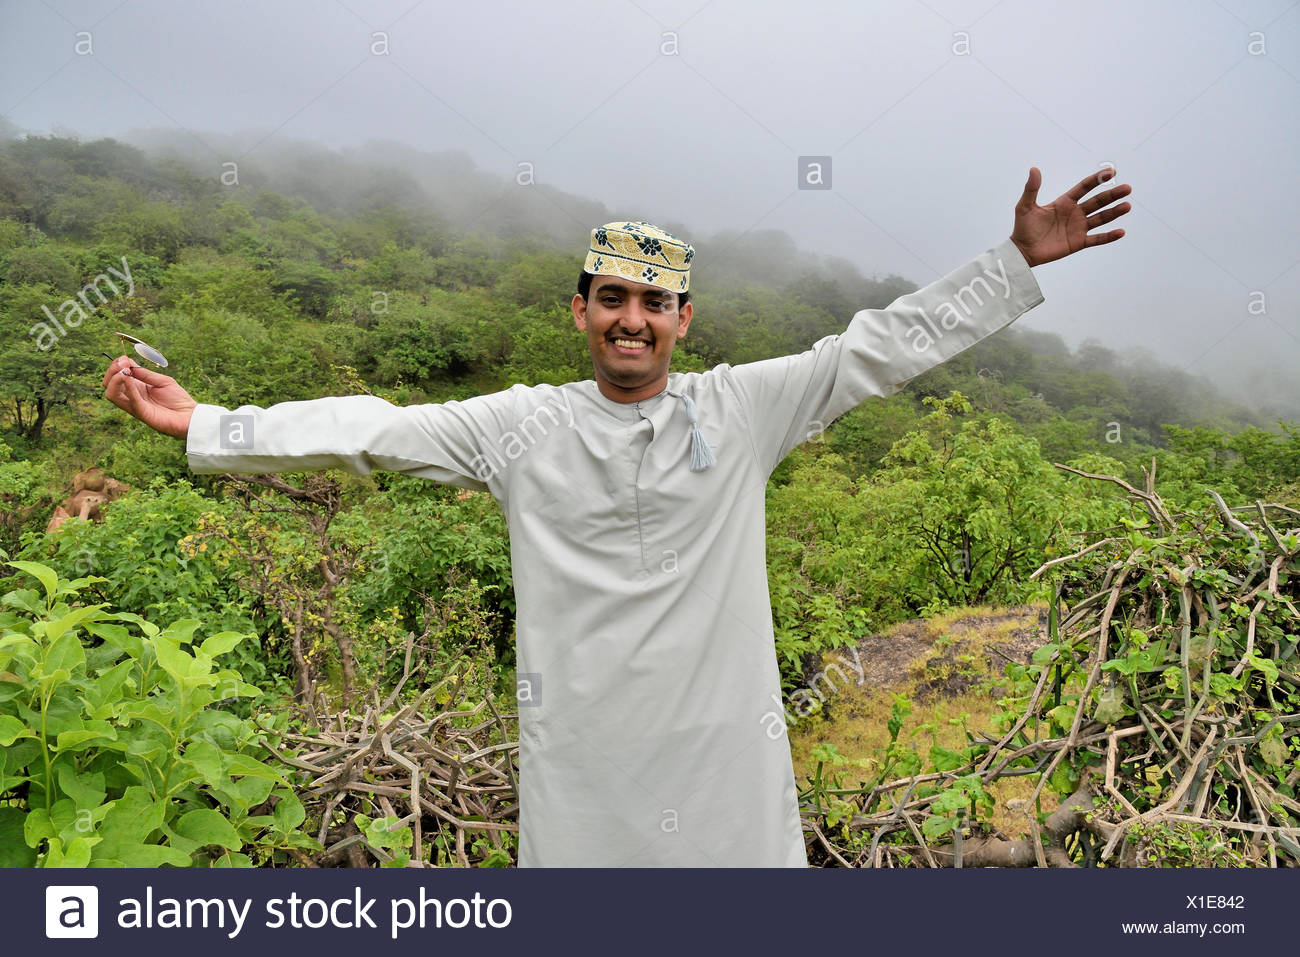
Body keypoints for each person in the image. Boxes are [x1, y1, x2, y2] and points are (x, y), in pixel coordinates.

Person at [104, 167, 1132, 867]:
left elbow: (878, 347)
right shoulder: (519, 427)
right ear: (579, 311)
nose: (630, 319)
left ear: (684, 319)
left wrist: (1011, 265)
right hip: (583, 779)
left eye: (652, 302)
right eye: (610, 298)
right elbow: (376, 427)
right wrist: (213, 425)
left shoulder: (743, 410)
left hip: (726, 774)